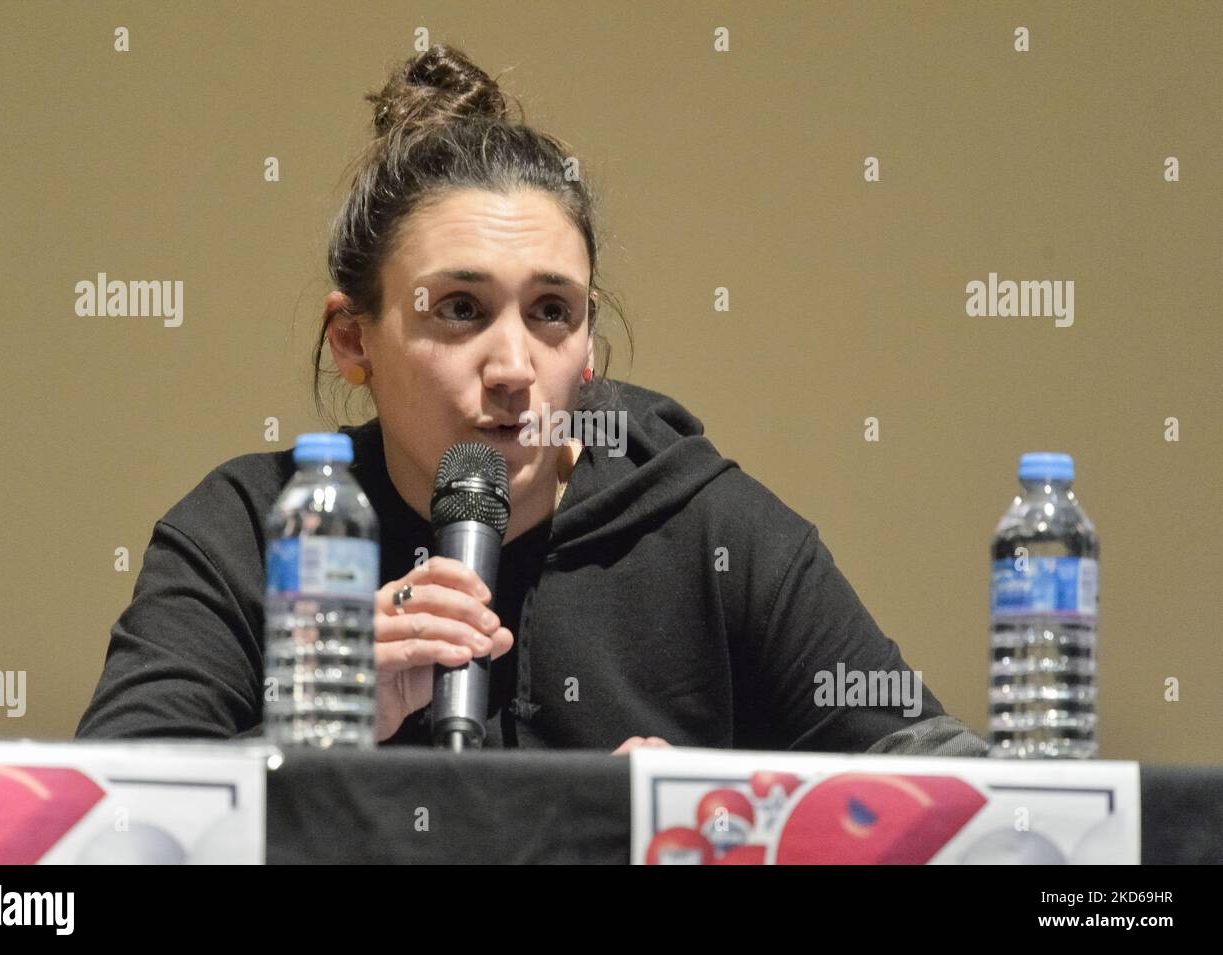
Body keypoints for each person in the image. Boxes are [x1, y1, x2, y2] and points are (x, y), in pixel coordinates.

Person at [76, 44, 987, 758]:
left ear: (589, 348)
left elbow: (977, 812)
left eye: (552, 312)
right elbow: (95, 844)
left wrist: (725, 819)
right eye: (460, 309)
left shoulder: (714, 529)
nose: (512, 364)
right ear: (353, 338)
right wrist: (320, 727)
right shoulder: (255, 533)